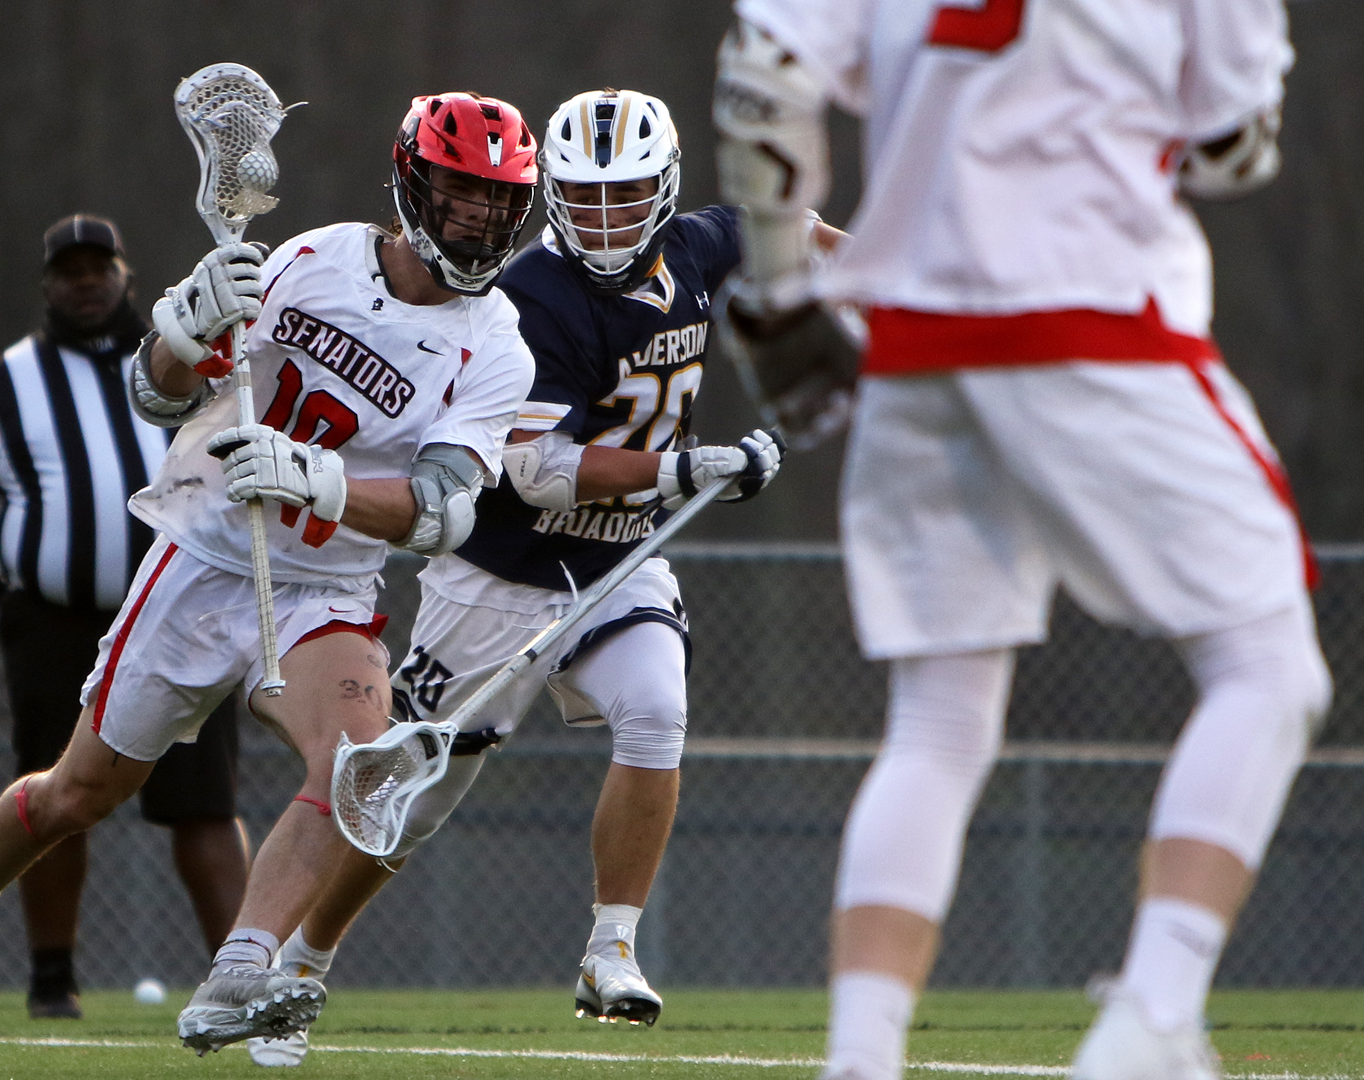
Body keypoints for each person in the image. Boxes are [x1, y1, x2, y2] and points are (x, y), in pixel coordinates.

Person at [713, 3, 1327, 1080]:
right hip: (1095, 315)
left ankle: (859, 1058)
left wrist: (776, 293)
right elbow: (1237, 142)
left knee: (938, 722)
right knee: (1269, 667)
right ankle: (1154, 1016)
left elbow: (764, 79)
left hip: (914, 341)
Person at [0, 92, 541, 1055]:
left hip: (326, 586)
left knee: (360, 767)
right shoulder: (312, 260)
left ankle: (240, 971)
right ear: (413, 185)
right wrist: (186, 331)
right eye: (463, 192)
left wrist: (317, 480)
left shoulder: (497, 345)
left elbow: (440, 513)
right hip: (204, 557)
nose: (481, 218)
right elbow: (156, 393)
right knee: (79, 794)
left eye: (500, 199)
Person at [246, 88, 785, 1068]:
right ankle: (305, 961)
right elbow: (538, 470)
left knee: (657, 710)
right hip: (497, 575)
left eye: (627, 196)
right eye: (586, 197)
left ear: (666, 191)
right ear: (554, 198)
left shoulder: (697, 248)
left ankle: (610, 949)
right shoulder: (533, 294)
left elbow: (793, 231)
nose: (607, 219)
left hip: (616, 560)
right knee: (413, 800)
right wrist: (684, 470)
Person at [0, 213, 253, 1018]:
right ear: (48, 285)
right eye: (70, 271)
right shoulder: (9, 380)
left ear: (125, 273)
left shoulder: (191, 358)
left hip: (185, 610)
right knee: (56, 800)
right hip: (54, 620)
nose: (86, 282)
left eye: (99, 267)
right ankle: (50, 977)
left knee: (205, 802)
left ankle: (245, 976)